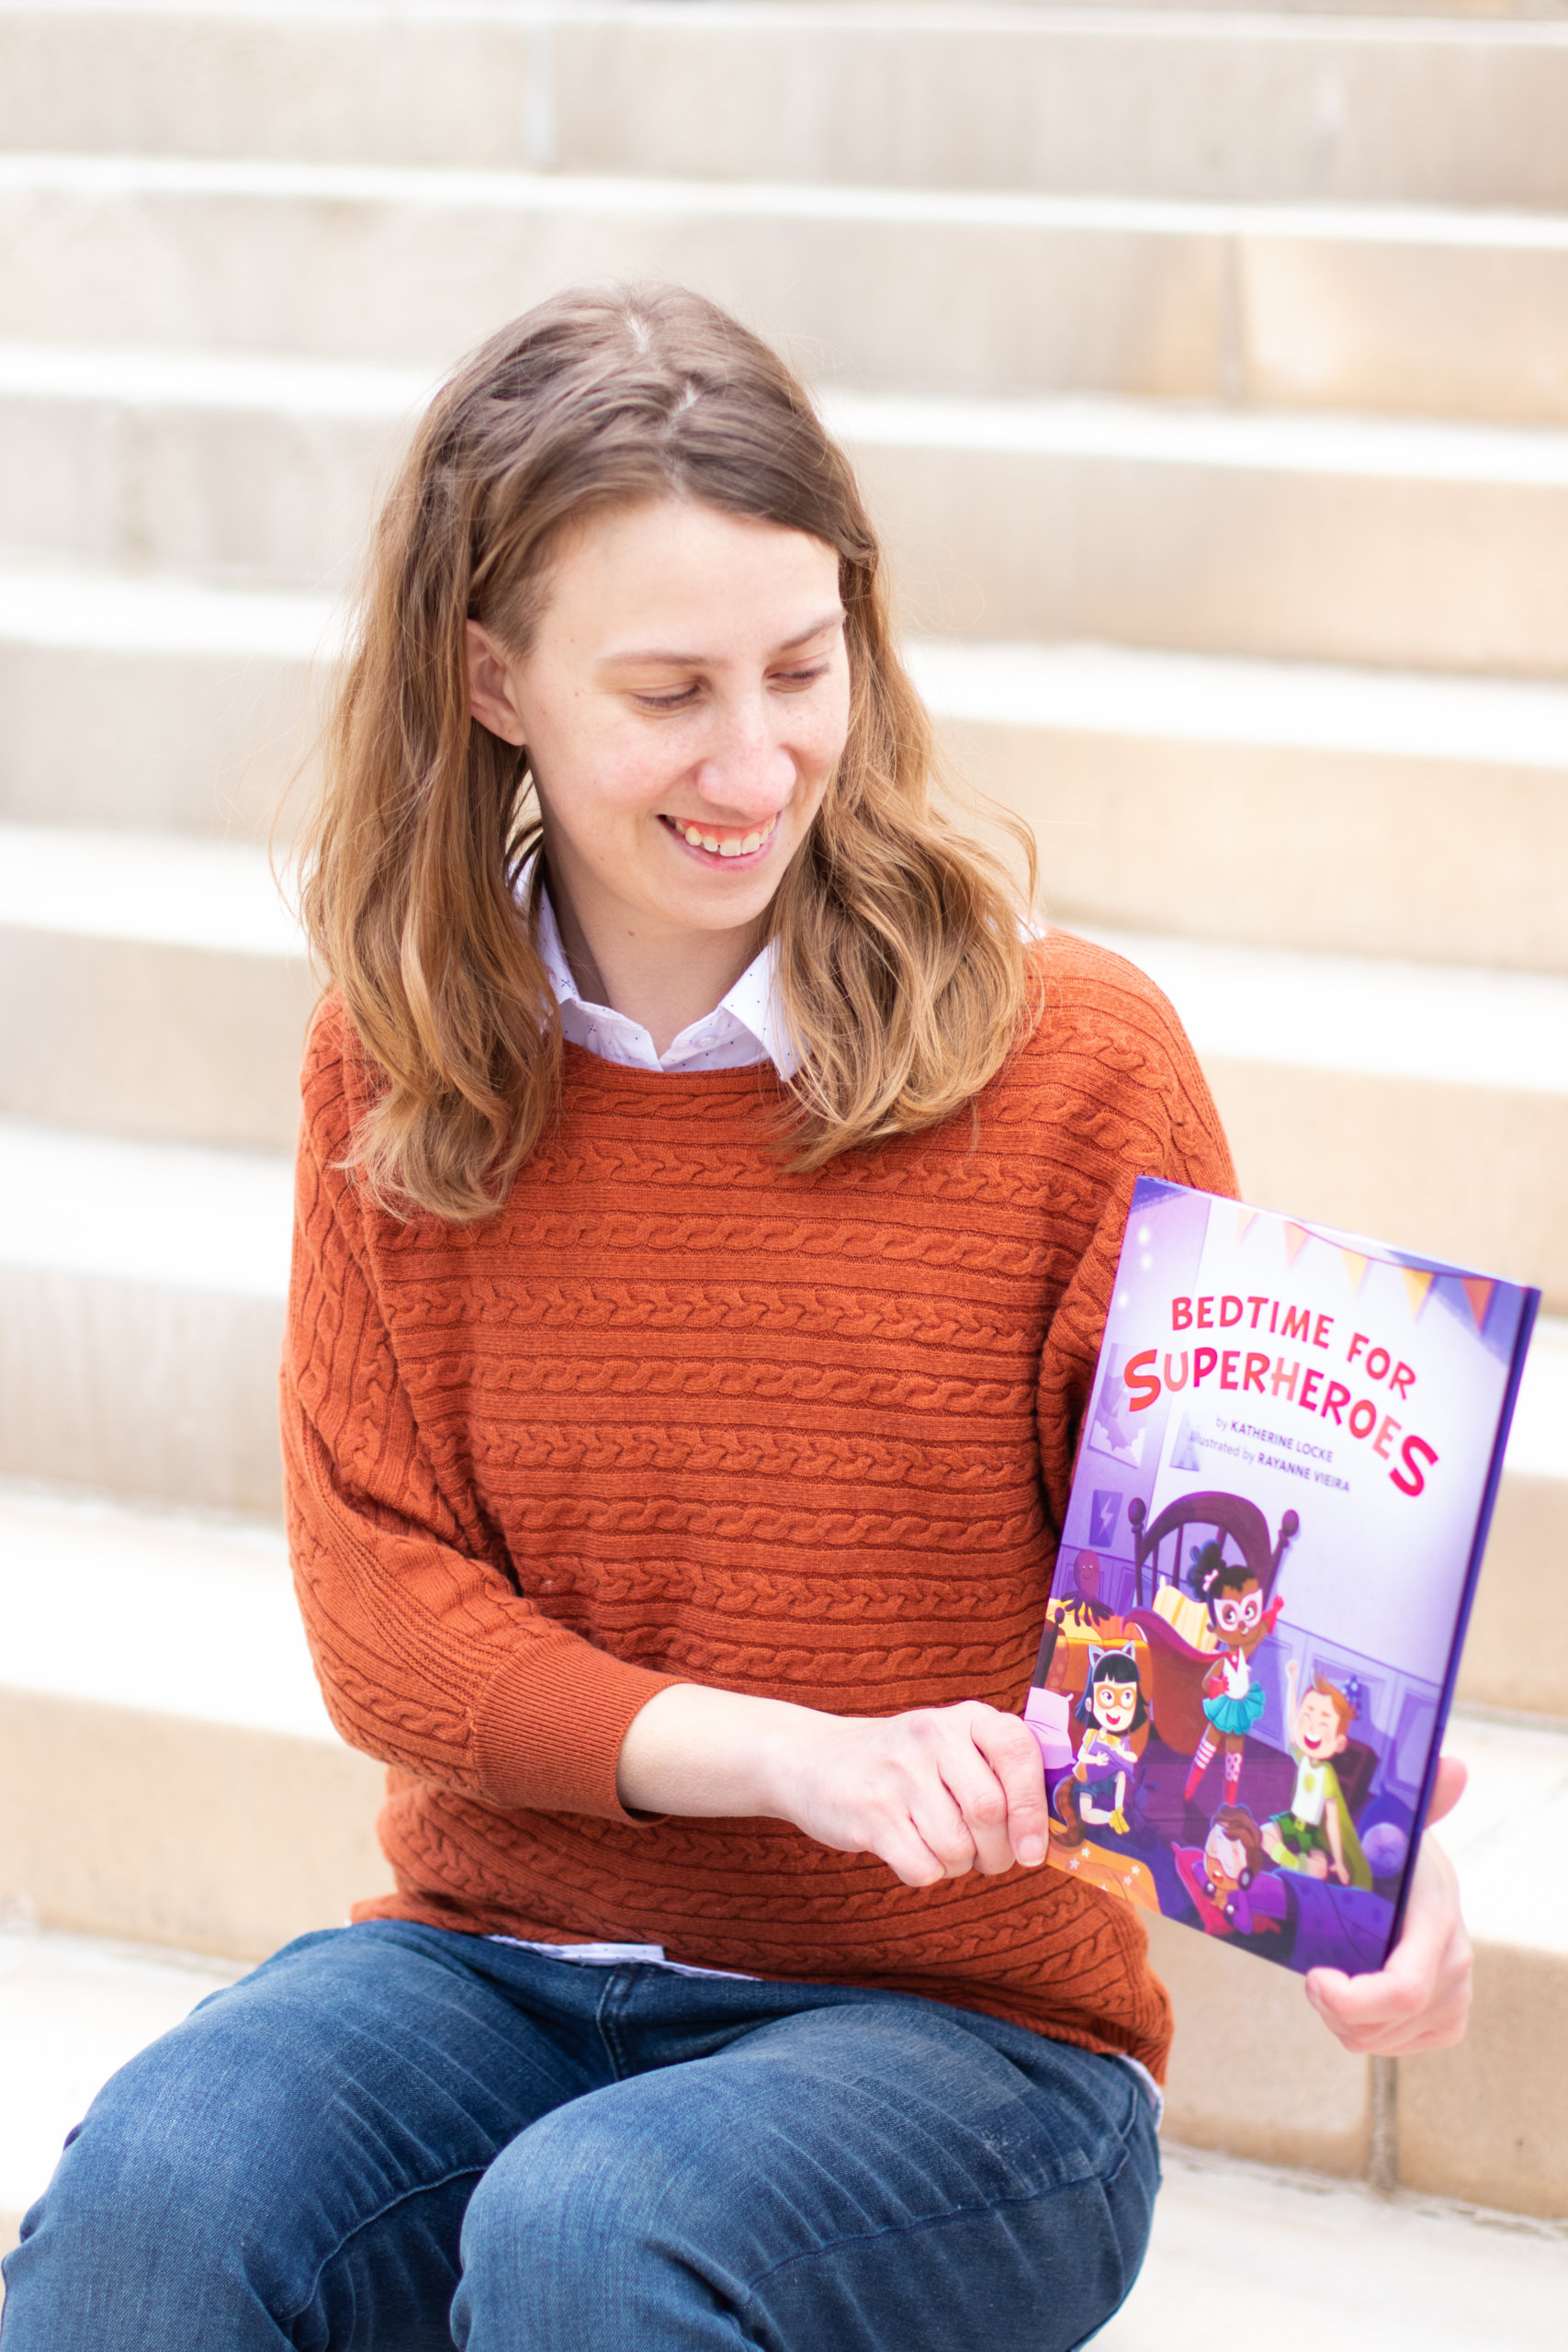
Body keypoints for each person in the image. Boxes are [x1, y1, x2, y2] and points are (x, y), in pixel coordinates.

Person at [0, 286, 1473, 2352]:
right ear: (491, 676)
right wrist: (800, 1757)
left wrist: (1357, 1853)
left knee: (598, 2232)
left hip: (963, 2028)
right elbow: (384, 1612)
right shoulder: (393, 1064)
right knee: (156, 2200)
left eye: (803, 667)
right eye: (670, 690)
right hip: (493, 1957)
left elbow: (1229, 1620)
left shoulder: (1072, 1059)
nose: (757, 756)